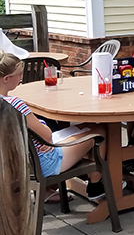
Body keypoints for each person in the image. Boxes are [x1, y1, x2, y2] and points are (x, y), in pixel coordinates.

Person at [0, 50, 108, 199]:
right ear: (6, 79)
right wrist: (46, 137)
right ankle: (96, 185)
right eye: (19, 74)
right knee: (100, 130)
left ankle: (81, 180)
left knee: (85, 127)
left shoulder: (4, 104)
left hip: (17, 163)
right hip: (44, 163)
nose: (21, 77)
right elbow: (46, 135)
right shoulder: (15, 106)